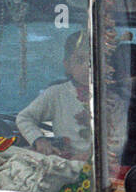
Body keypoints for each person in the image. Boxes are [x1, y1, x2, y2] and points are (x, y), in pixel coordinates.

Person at [16, 29, 92, 161]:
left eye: (92, 61)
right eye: (80, 60)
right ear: (67, 65)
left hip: (102, 165)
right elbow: (24, 118)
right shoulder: (57, 93)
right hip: (66, 162)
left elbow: (118, 138)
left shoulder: (111, 97)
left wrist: (92, 156)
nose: (87, 67)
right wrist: (39, 140)